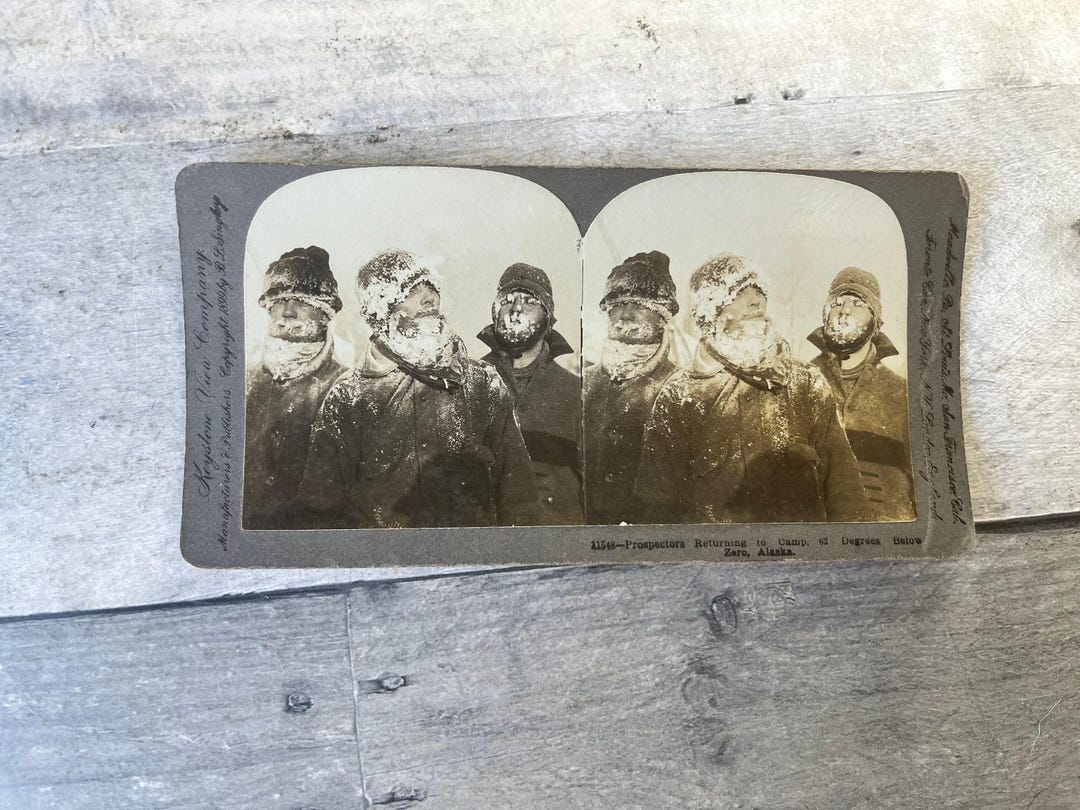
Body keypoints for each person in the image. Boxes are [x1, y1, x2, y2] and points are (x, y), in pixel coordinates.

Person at [299, 249, 537, 528]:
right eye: (413, 290)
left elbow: (520, 498)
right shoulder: (348, 398)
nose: (430, 298)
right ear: (382, 308)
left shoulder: (481, 382)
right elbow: (319, 510)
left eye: (432, 288)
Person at [636, 254, 870, 523]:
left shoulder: (805, 382)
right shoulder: (680, 396)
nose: (755, 300)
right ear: (710, 310)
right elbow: (658, 507)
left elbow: (847, 494)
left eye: (758, 290)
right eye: (739, 292)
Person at [244, 245, 347, 529]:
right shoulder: (244, 384)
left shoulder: (346, 387)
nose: (287, 312)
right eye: (279, 301)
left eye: (301, 302)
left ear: (324, 314)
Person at [807, 267, 916, 520]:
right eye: (837, 303)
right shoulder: (799, 384)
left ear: (876, 321)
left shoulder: (902, 395)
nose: (844, 311)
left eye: (857, 303)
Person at [478, 263, 583, 524]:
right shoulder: (470, 385)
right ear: (494, 312)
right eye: (507, 301)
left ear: (548, 317)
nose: (516, 309)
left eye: (529, 301)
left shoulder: (575, 393)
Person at [583, 251, 680, 524]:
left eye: (638, 305)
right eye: (616, 305)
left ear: (662, 316)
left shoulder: (682, 387)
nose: (625, 315)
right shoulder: (584, 385)